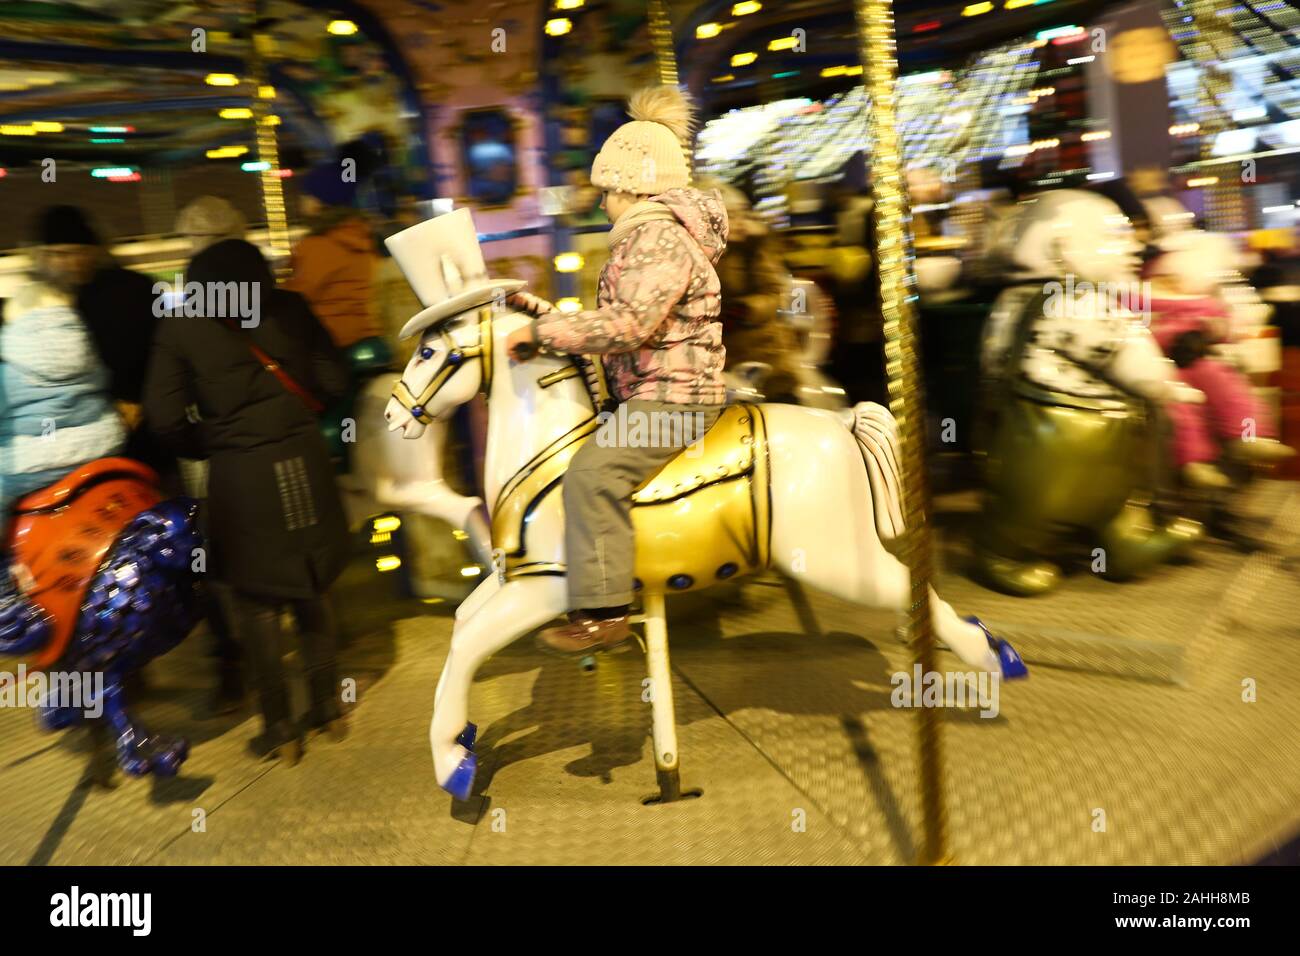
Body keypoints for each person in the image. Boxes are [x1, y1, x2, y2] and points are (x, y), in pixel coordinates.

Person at [504, 85, 729, 654]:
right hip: (654, 389)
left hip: (674, 398)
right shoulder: (648, 238)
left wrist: (542, 334)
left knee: (591, 475)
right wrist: (547, 316)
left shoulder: (658, 239)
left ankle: (605, 612)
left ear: (631, 187)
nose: (601, 203)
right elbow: (621, 320)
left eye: (605, 191)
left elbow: (630, 325)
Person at [144, 239, 352, 764]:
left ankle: (280, 729)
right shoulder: (292, 308)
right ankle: (328, 707)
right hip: (304, 464)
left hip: (241, 478)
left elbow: (164, 417)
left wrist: (214, 441)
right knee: (311, 585)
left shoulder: (182, 328)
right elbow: (334, 380)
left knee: (257, 603)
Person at [172, 196, 249, 716]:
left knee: (214, 559)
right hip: (277, 448)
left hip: (212, 451)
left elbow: (168, 400)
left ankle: (231, 667)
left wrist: (192, 443)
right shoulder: (272, 295)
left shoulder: (185, 307)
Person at [1144, 236, 1295, 488]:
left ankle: (1249, 438)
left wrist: (1212, 333)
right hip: (1164, 367)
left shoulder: (1206, 305)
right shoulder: (1143, 303)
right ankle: (1194, 463)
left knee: (1235, 394)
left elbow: (1227, 328)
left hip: (1201, 362)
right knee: (1183, 411)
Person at [29, 207, 163, 471]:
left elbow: (162, 354)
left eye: (81, 252)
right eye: (61, 254)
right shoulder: (35, 305)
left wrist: (140, 401)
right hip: (74, 445)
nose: (73, 262)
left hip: (141, 434)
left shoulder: (135, 290)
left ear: (96, 251)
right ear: (43, 257)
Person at [712, 183, 800, 402]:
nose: (741, 222)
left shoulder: (755, 248)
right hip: (728, 351)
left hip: (764, 348)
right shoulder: (710, 254)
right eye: (732, 216)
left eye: (743, 214)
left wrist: (745, 309)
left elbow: (775, 292)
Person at [284, 163, 384, 350]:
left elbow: (296, 297)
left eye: (306, 195)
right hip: (372, 333)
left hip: (334, 340)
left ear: (319, 201)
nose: (301, 200)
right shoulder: (363, 237)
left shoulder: (317, 246)